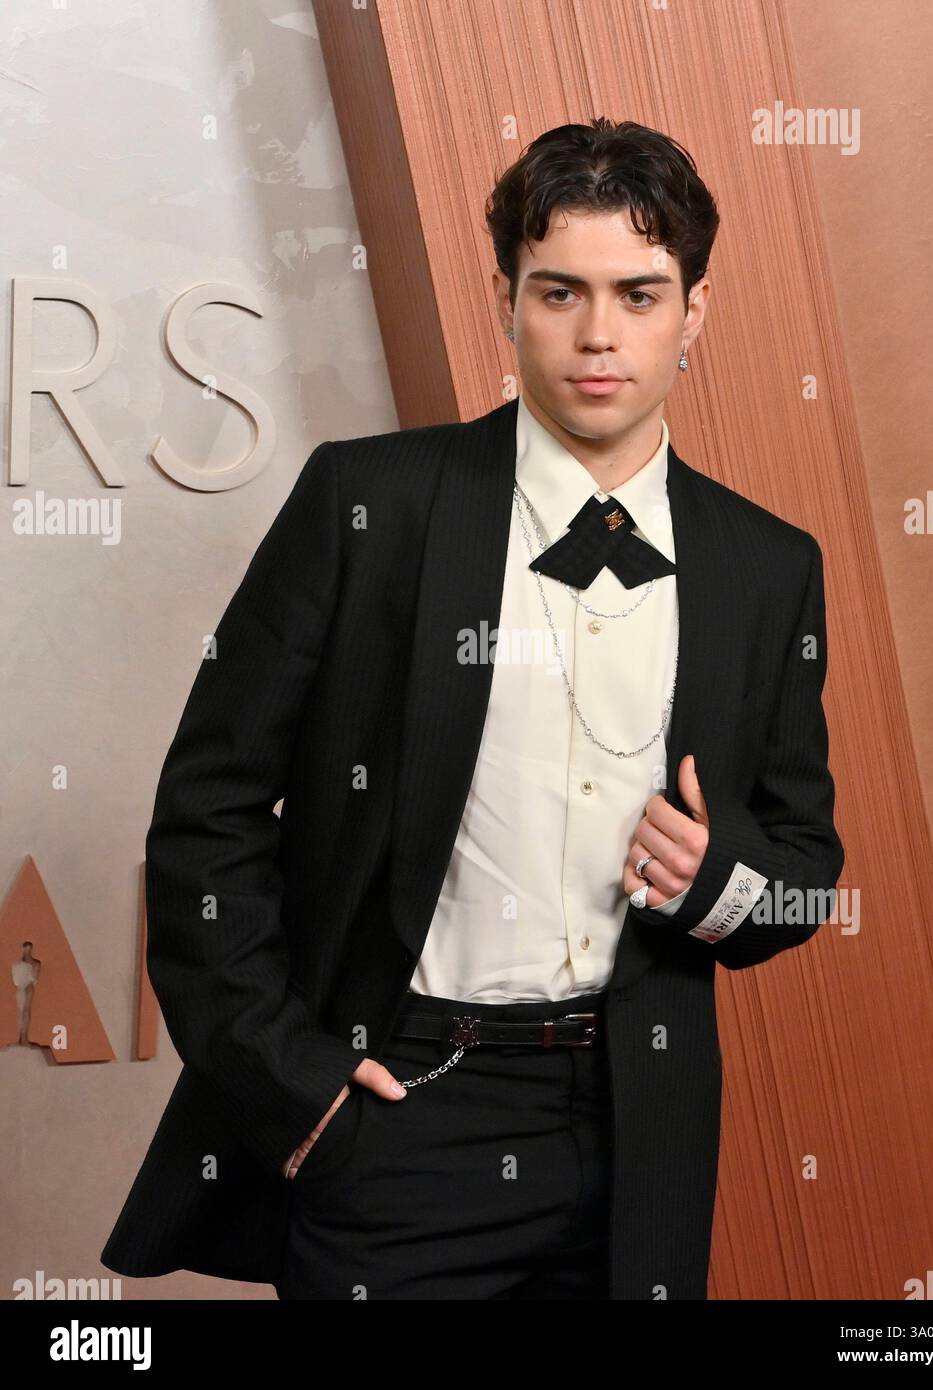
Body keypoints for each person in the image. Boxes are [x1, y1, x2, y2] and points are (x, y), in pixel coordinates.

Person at [101, 117, 843, 1300]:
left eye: (639, 295)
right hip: (399, 1110)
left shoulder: (766, 563)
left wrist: (716, 880)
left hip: (634, 1131)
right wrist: (296, 1088)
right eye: (559, 291)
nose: (598, 335)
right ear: (504, 296)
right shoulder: (367, 502)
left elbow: (806, 868)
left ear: (692, 313)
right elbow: (208, 809)